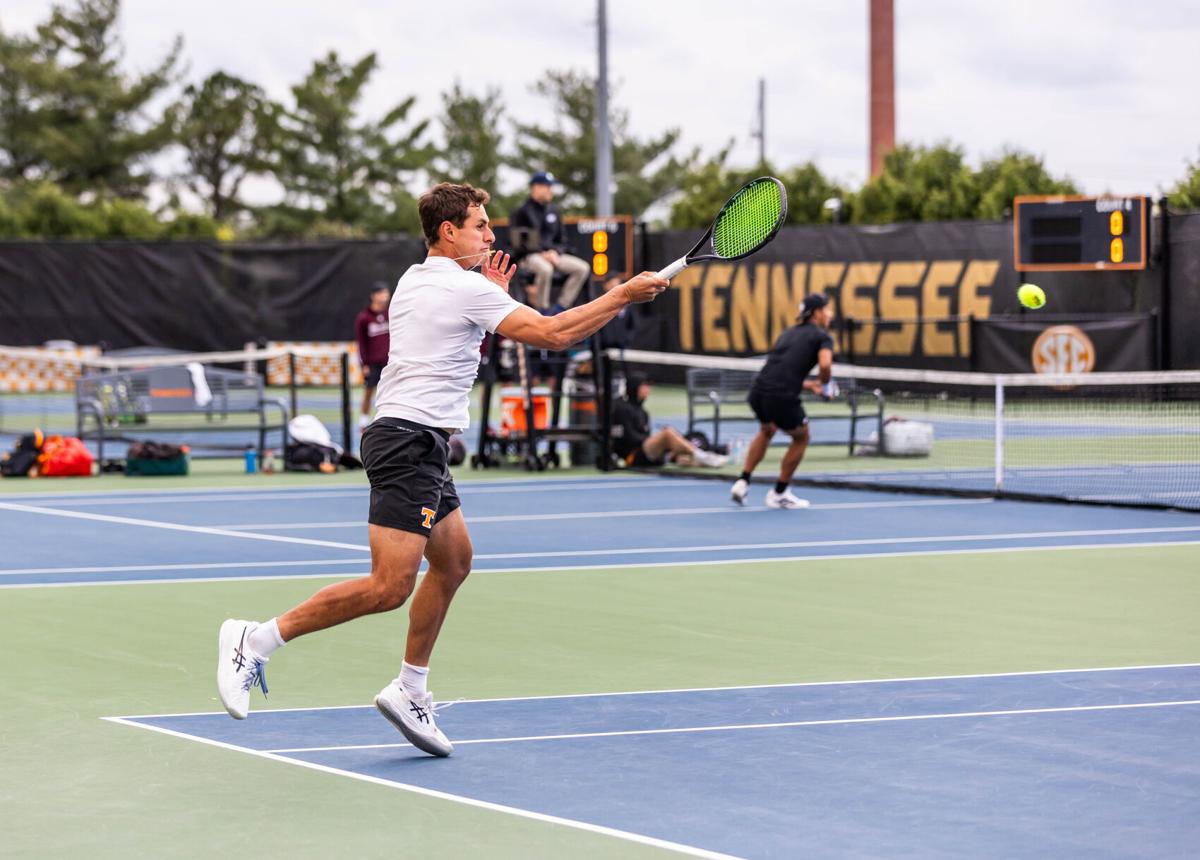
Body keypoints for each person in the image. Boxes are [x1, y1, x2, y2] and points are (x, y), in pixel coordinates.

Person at [216, 182, 667, 756]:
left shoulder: (417, 279)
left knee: (454, 562)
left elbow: (451, 342)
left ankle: (410, 689)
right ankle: (255, 640)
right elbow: (554, 334)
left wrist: (485, 291)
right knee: (389, 587)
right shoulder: (460, 289)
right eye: (480, 225)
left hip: (418, 442)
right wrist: (622, 293)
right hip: (407, 443)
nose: (491, 234)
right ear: (448, 231)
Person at [730, 293, 836, 509]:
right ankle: (780, 492)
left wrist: (810, 385)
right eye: (827, 309)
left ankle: (743, 481)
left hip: (758, 392)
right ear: (817, 313)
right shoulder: (823, 337)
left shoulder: (788, 333)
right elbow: (825, 366)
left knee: (767, 430)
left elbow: (781, 371)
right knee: (802, 437)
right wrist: (824, 385)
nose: (830, 314)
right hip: (780, 396)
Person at [508, 171, 591, 313]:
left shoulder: (554, 210)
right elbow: (518, 242)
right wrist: (542, 252)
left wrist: (555, 251)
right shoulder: (521, 211)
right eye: (547, 186)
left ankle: (560, 308)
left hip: (553, 255)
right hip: (530, 256)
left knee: (582, 268)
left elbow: (562, 239)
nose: (550, 190)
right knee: (546, 269)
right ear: (535, 187)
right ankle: (542, 310)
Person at [611, 372, 728, 469]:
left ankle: (701, 457)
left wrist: (663, 446)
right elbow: (628, 438)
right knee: (667, 433)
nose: (648, 389)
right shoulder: (622, 408)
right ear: (635, 387)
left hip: (645, 452)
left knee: (680, 452)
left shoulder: (643, 412)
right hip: (632, 457)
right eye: (644, 386)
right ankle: (702, 456)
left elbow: (644, 436)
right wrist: (658, 440)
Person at [354, 282, 391, 431]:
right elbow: (361, 344)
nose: (385, 297)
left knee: (390, 392)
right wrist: (364, 365)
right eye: (382, 293)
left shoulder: (390, 313)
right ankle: (363, 423)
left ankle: (387, 420)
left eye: (387, 293)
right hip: (373, 363)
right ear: (374, 296)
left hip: (390, 362)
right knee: (369, 392)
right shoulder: (364, 318)